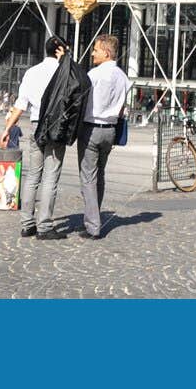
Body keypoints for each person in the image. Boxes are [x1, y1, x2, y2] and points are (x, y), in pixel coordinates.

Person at [0, 37, 75, 240]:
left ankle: (27, 223)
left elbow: (20, 105)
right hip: (57, 126)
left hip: (36, 124)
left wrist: (7, 128)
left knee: (33, 175)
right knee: (51, 175)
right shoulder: (66, 73)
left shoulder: (31, 72)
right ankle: (45, 225)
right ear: (60, 50)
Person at [76, 35, 129, 240]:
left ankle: (93, 225)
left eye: (96, 50)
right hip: (110, 129)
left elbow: (83, 100)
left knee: (88, 176)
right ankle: (94, 217)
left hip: (91, 128)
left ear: (106, 53)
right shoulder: (123, 77)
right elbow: (122, 107)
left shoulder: (94, 74)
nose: (92, 53)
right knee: (100, 175)